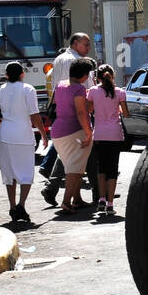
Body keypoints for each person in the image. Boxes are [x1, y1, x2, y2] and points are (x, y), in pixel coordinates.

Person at [42, 33, 96, 205]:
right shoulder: (73, 62)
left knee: (70, 155)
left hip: (64, 109)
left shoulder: (60, 58)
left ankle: (74, 194)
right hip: (75, 110)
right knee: (77, 155)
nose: (88, 48)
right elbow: (80, 88)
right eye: (85, 44)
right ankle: (97, 192)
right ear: (75, 43)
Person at [0, 62, 48, 222]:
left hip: (5, 135)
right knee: (25, 173)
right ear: (22, 74)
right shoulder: (28, 89)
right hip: (23, 135)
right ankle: (21, 205)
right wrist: (43, 134)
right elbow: (34, 115)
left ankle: (12, 206)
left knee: (9, 174)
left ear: (6, 75)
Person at [50, 58, 95, 214]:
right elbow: (81, 112)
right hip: (74, 130)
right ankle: (66, 202)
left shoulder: (60, 85)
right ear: (84, 75)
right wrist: (89, 132)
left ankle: (76, 199)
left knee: (73, 166)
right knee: (75, 169)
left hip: (57, 131)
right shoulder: (79, 88)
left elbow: (59, 103)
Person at [86, 64, 129, 216]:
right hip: (115, 134)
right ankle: (110, 204)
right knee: (113, 169)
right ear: (112, 75)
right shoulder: (119, 92)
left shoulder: (92, 91)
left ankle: (101, 199)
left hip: (100, 134)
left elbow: (89, 110)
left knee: (101, 168)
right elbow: (126, 114)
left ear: (97, 77)